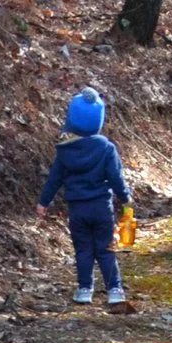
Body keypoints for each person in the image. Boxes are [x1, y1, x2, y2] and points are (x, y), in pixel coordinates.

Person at [38, 88, 132, 306]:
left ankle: (84, 289)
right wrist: (125, 198)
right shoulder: (107, 149)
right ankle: (115, 289)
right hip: (101, 208)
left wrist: (43, 202)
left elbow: (54, 179)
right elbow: (116, 177)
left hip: (77, 209)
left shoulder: (65, 151)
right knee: (105, 249)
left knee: (83, 250)